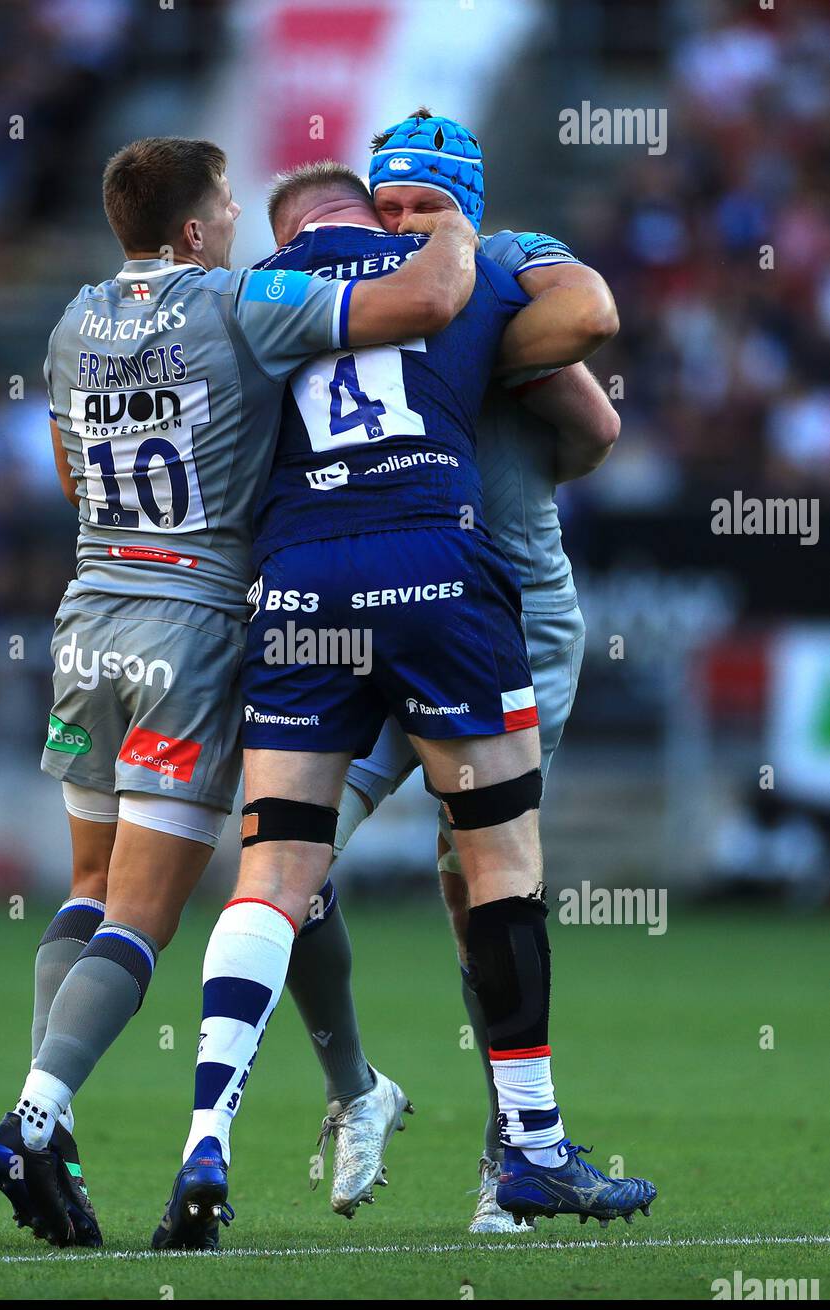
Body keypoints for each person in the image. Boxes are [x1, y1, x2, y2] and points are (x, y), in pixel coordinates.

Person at [0, 134, 481, 1247]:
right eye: (229, 206)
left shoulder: (72, 321)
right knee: (156, 912)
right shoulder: (240, 300)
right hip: (192, 628)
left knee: (92, 883)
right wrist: (448, 216)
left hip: (86, 621)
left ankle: (47, 1116)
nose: (239, 221)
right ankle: (36, 1111)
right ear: (198, 229)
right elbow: (428, 299)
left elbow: (67, 471)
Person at [152, 156, 655, 1250]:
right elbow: (591, 371)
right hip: (440, 581)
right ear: (366, 214)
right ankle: (530, 1144)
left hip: (296, 588)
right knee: (496, 863)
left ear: (287, 233)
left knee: (274, 870)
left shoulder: (259, 298)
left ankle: (204, 1138)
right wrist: (473, 241)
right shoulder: (455, 272)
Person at [284, 111, 624, 1236]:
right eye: (383, 204)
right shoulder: (370, 290)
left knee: (474, 878)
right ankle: (357, 1091)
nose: (396, 223)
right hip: (392, 603)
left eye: (421, 205)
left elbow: (592, 392)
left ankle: (509, 1156)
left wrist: (462, 334)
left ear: (466, 204)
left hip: (505, 616)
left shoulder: (509, 264)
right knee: (282, 863)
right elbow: (590, 439)